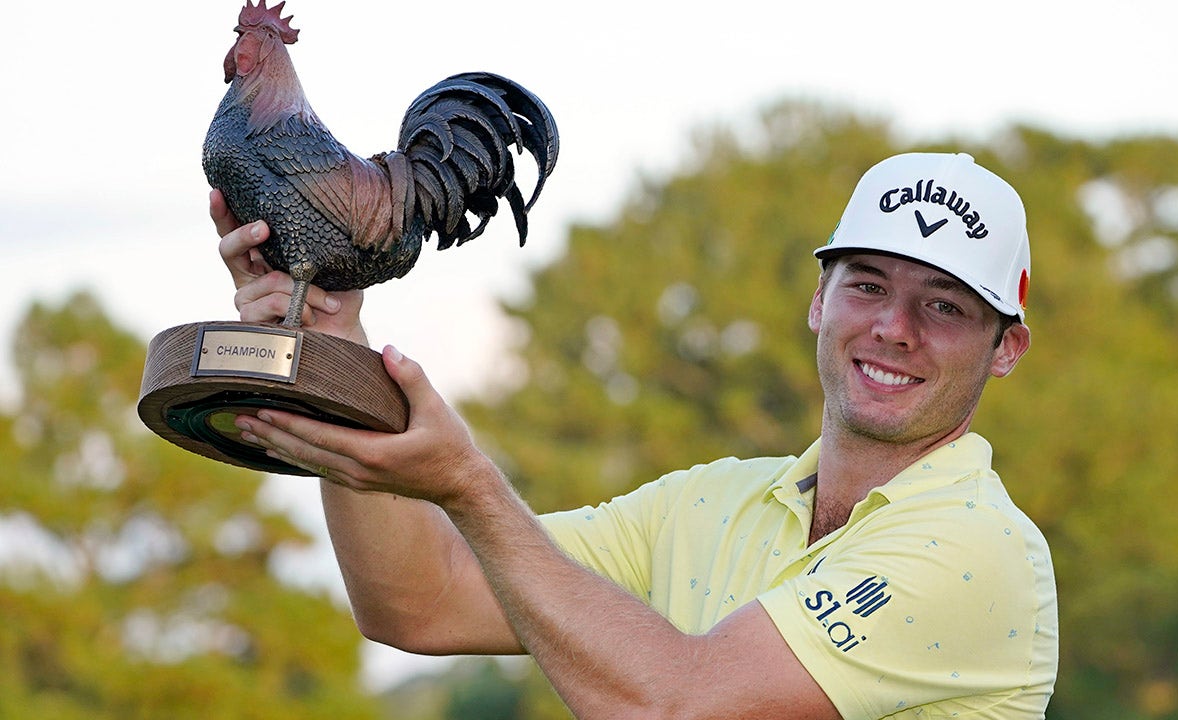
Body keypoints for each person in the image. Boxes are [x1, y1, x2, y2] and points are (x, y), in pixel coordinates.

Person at [214, 151, 1058, 719]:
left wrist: (468, 484)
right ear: (819, 302)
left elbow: (676, 707)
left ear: (1007, 348)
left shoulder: (975, 547)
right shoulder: (711, 501)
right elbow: (420, 602)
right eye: (868, 286)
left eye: (944, 305)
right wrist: (337, 355)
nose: (895, 328)